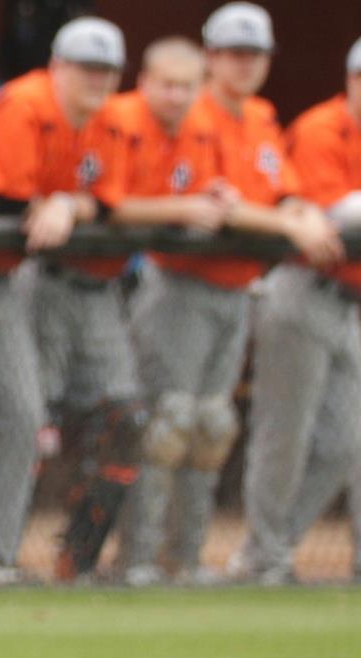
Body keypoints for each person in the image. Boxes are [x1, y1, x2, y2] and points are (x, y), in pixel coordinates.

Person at [101, 25, 343, 584]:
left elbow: (281, 188)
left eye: (255, 55)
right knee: (167, 425)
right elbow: (224, 204)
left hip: (235, 290)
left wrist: (298, 211)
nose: (245, 65)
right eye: (234, 55)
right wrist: (286, 221)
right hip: (180, 287)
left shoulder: (259, 116)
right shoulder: (196, 114)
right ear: (213, 59)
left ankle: (184, 558)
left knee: (210, 428)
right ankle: (137, 558)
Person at [0, 15, 131, 584]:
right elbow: (9, 202)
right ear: (57, 67)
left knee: (46, 419)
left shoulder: (106, 120)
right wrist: (57, 200)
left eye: (107, 70)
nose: (98, 80)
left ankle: (40, 561)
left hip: (22, 279)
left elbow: (109, 200)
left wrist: (69, 202)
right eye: (87, 68)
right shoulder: (25, 104)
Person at [233, 35, 361, 584]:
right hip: (302, 289)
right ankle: (265, 558)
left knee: (344, 443)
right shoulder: (321, 128)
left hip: (347, 304)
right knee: (284, 435)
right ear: (351, 79)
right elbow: (337, 217)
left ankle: (272, 548)